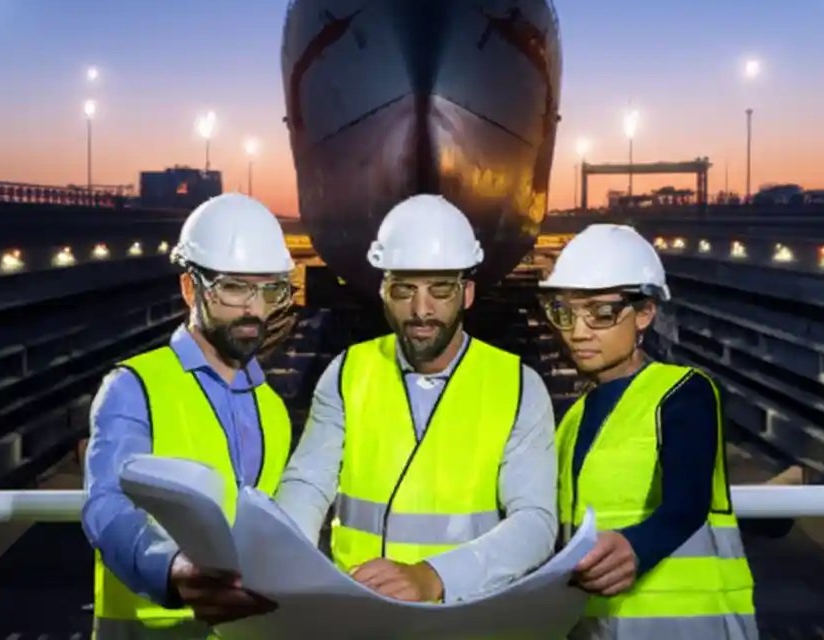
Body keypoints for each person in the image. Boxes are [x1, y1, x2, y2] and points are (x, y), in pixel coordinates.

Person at [274, 193, 558, 604]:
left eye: (440, 290)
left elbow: (535, 523)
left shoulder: (517, 385)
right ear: (384, 292)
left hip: (466, 615)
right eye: (404, 289)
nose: (421, 311)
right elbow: (307, 484)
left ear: (467, 294)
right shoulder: (348, 371)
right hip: (360, 613)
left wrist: (435, 577)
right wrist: (290, 565)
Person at [82, 193, 296, 639]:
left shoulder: (273, 409)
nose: (254, 309)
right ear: (189, 288)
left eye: (269, 289)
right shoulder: (134, 387)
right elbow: (105, 506)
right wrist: (172, 568)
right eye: (234, 287)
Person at [537, 224, 757, 639]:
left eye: (601, 312)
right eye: (565, 312)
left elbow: (687, 503)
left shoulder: (683, 393)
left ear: (644, 312)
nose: (577, 332)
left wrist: (637, 547)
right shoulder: (572, 419)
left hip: (687, 626)